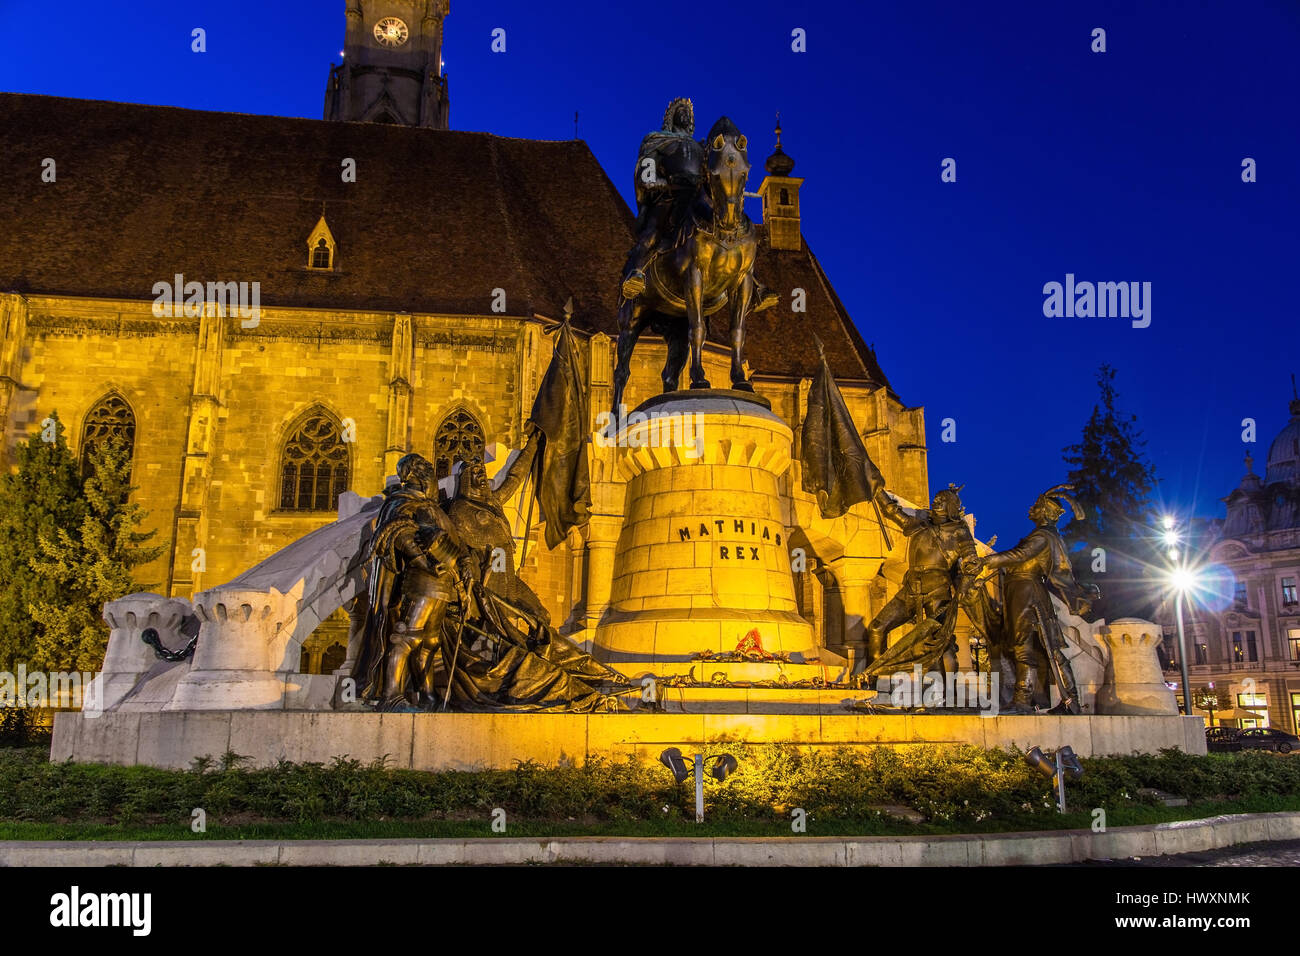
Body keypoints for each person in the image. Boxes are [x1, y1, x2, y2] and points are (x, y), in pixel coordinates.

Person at [969, 485, 1097, 714]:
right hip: (1023, 590)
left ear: (1045, 512)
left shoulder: (1042, 536)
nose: (1032, 509)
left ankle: (1023, 700)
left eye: (1037, 507)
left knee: (1025, 644)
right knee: (1048, 647)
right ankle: (1071, 701)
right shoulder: (1046, 535)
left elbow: (1020, 555)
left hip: (1026, 592)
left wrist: (986, 561)